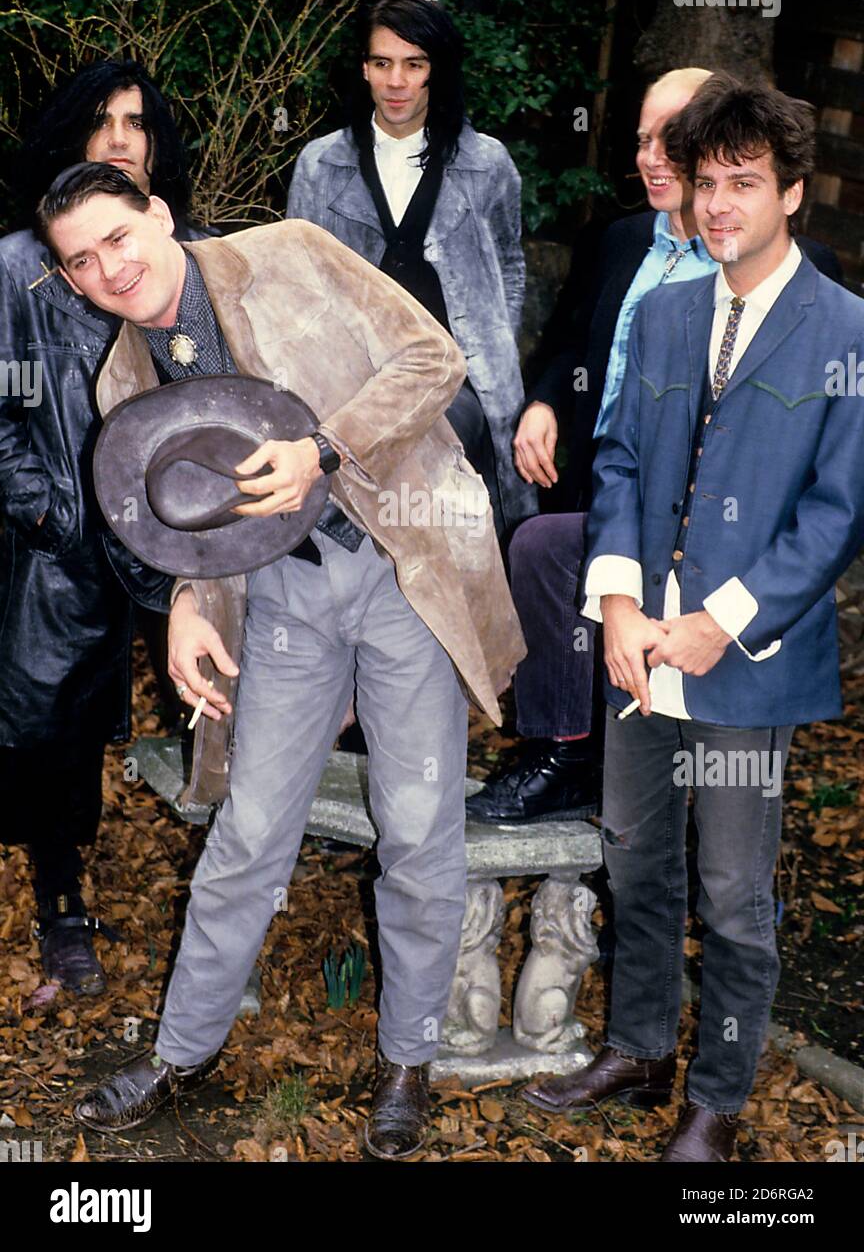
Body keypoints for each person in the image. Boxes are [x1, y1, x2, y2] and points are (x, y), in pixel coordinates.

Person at [37, 163, 525, 1159]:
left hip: (402, 567)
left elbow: (435, 357)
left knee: (419, 826)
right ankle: (181, 1052)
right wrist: (183, 604)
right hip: (284, 605)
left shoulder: (290, 256)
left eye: (116, 239)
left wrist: (326, 447)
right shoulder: (122, 379)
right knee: (249, 832)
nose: (107, 270)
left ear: (157, 216)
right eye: (80, 262)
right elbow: (180, 534)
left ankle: (408, 1058)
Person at [523, 74, 864, 1163]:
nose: (718, 205)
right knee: (636, 859)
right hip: (641, 649)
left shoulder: (844, 330)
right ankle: (638, 1047)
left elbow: (839, 511)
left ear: (795, 194)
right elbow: (616, 455)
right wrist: (616, 599)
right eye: (707, 182)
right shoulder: (665, 311)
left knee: (731, 888)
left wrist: (718, 620)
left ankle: (715, 1099)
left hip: (743, 659)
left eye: (745, 184)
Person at [467, 67, 843, 825]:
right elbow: (572, 338)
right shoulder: (621, 241)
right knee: (541, 548)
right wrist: (543, 401)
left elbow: (818, 486)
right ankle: (567, 749)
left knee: (724, 878)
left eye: (671, 138)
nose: (652, 156)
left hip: (717, 531)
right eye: (642, 138)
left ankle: (613, 759)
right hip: (611, 491)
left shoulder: (776, 273)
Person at [0, 60, 207, 995]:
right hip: (63, 532)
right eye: (102, 120)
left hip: (178, 535)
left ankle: (230, 900)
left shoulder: (184, 255)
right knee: (54, 724)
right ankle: (62, 906)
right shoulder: (19, 265)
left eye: (138, 121)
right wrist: (37, 502)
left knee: (224, 693)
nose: (122, 136)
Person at [286, 0, 536, 538]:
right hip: (351, 384)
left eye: (414, 64)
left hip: (459, 386)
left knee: (455, 512)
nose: (397, 82)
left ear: (435, 71)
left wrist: (492, 344)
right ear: (364, 69)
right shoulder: (319, 166)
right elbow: (296, 286)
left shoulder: (487, 163)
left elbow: (509, 268)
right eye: (383, 63)